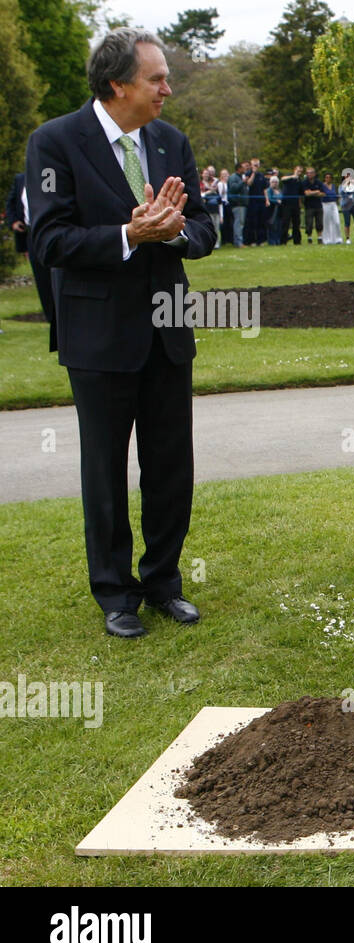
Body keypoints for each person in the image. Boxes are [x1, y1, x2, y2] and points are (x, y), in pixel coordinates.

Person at [24, 28, 216, 638]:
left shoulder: (171, 142)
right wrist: (130, 235)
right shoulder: (54, 143)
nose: (168, 88)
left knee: (170, 466)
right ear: (117, 84)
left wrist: (177, 231)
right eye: (157, 78)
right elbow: (48, 240)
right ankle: (115, 595)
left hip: (167, 331)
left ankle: (163, 582)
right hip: (98, 336)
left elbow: (206, 229)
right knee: (104, 470)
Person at [301, 166, 324, 243]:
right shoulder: (304, 182)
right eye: (308, 173)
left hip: (318, 205)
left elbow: (323, 193)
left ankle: (319, 238)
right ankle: (309, 238)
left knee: (319, 222)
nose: (309, 174)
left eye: (311, 173)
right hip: (308, 206)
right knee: (309, 223)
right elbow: (306, 193)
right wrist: (316, 192)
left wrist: (312, 192)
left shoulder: (318, 182)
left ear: (314, 174)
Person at [281, 165, 303, 245]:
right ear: (294, 170)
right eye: (298, 171)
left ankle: (297, 241)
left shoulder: (299, 181)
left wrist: (299, 203)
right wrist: (292, 176)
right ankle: (283, 240)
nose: (299, 173)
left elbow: (301, 193)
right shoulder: (289, 177)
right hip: (286, 203)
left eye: (300, 171)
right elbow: (282, 179)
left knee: (296, 223)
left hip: (295, 204)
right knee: (285, 222)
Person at [339, 168, 354, 243]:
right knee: (347, 222)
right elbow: (341, 192)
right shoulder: (341, 185)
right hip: (345, 206)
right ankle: (348, 238)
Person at [321, 172, 341, 244]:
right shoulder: (322, 186)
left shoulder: (333, 186)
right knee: (326, 222)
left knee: (336, 221)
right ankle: (327, 239)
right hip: (325, 204)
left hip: (333, 204)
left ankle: (337, 239)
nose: (328, 179)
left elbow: (335, 194)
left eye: (329, 177)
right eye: (326, 177)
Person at [266, 174, 283, 246]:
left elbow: (282, 197)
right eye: (273, 182)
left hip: (279, 211)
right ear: (270, 182)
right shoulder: (268, 190)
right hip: (271, 210)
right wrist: (277, 201)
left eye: (276, 182)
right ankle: (272, 241)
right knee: (272, 226)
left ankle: (278, 240)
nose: (274, 183)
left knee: (279, 225)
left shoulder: (279, 190)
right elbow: (269, 198)